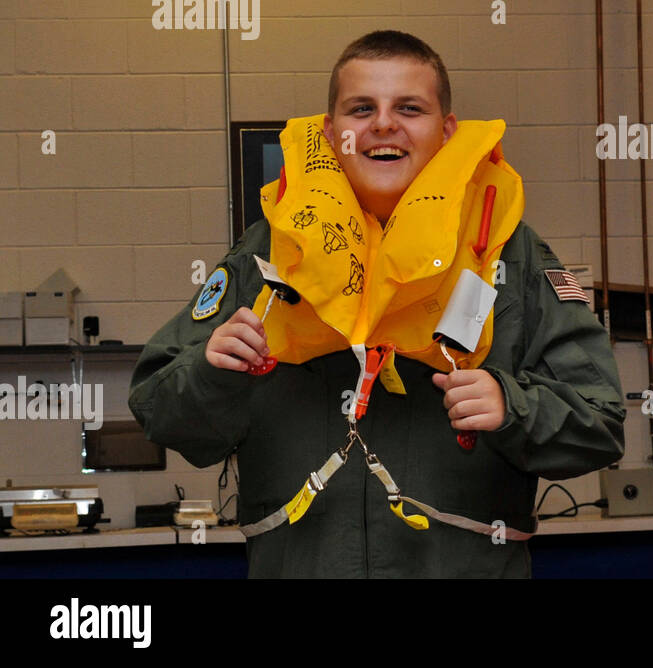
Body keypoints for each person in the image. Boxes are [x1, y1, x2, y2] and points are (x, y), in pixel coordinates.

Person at [130, 30, 625, 577]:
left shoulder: (510, 256)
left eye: (409, 108)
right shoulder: (266, 257)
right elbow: (160, 413)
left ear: (447, 130)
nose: (384, 125)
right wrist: (211, 370)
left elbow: (600, 425)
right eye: (361, 108)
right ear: (329, 131)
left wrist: (513, 408)